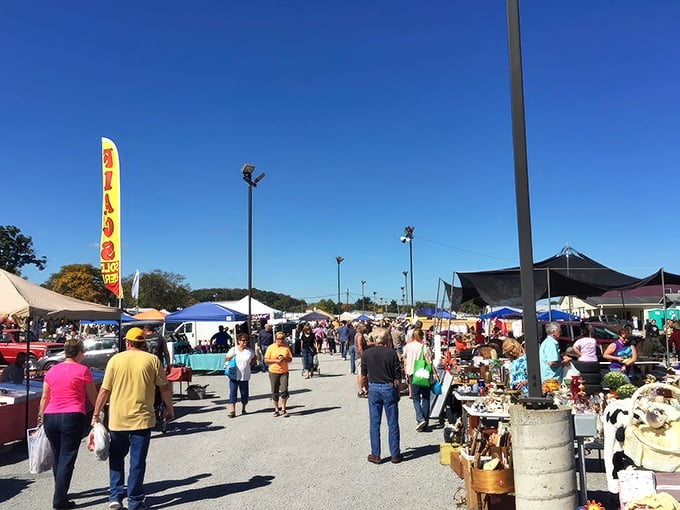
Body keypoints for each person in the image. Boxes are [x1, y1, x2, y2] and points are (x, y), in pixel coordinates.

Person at [92, 327, 174, 510]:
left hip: (118, 418)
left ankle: (115, 495)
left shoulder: (115, 360)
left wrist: (96, 414)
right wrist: (170, 408)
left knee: (116, 457)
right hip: (143, 418)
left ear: (127, 343)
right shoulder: (152, 360)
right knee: (137, 461)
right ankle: (135, 501)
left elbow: (105, 390)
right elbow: (164, 388)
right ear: (143, 343)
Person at [39, 339, 98, 510]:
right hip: (72, 414)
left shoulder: (52, 370)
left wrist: (42, 417)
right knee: (67, 457)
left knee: (58, 456)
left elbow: (44, 396)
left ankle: (61, 490)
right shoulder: (83, 370)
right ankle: (59, 499)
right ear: (79, 353)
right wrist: (98, 413)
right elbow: (91, 395)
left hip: (50, 415)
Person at [361, 327, 403, 464]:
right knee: (392, 422)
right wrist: (397, 392)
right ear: (386, 339)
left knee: (374, 423)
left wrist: (365, 388)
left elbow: (363, 375)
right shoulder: (391, 354)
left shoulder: (367, 354)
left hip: (374, 387)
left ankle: (376, 454)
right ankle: (395, 454)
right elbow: (398, 376)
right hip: (389, 387)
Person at [402, 328, 433, 431]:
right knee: (425, 397)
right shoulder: (424, 347)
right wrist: (433, 373)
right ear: (422, 336)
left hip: (411, 372)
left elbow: (405, 361)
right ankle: (425, 420)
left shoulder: (407, 347)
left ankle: (420, 418)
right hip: (423, 372)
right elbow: (428, 361)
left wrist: (406, 373)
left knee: (415, 398)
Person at [224, 333, 256, 417]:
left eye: (246, 340)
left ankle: (243, 408)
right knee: (233, 392)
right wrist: (230, 357)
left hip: (245, 375)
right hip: (234, 375)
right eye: (243, 340)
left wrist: (251, 364)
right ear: (238, 341)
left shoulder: (249, 351)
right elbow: (226, 358)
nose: (245, 342)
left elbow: (255, 358)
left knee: (244, 393)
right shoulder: (233, 350)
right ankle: (232, 411)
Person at [264, 332, 293, 417]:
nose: (279, 341)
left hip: (284, 371)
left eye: (281, 339)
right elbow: (266, 360)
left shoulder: (286, 348)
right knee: (275, 391)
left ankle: (283, 408)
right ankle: (276, 409)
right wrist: (276, 361)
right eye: (278, 339)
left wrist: (284, 358)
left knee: (284, 390)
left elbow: (290, 359)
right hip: (273, 371)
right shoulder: (270, 348)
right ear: (275, 339)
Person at [355, 323, 368, 397]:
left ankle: (362, 389)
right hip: (360, 357)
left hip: (359, 356)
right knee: (361, 373)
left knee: (360, 373)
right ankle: (360, 390)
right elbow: (360, 347)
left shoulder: (358, 334)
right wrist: (364, 355)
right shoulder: (359, 336)